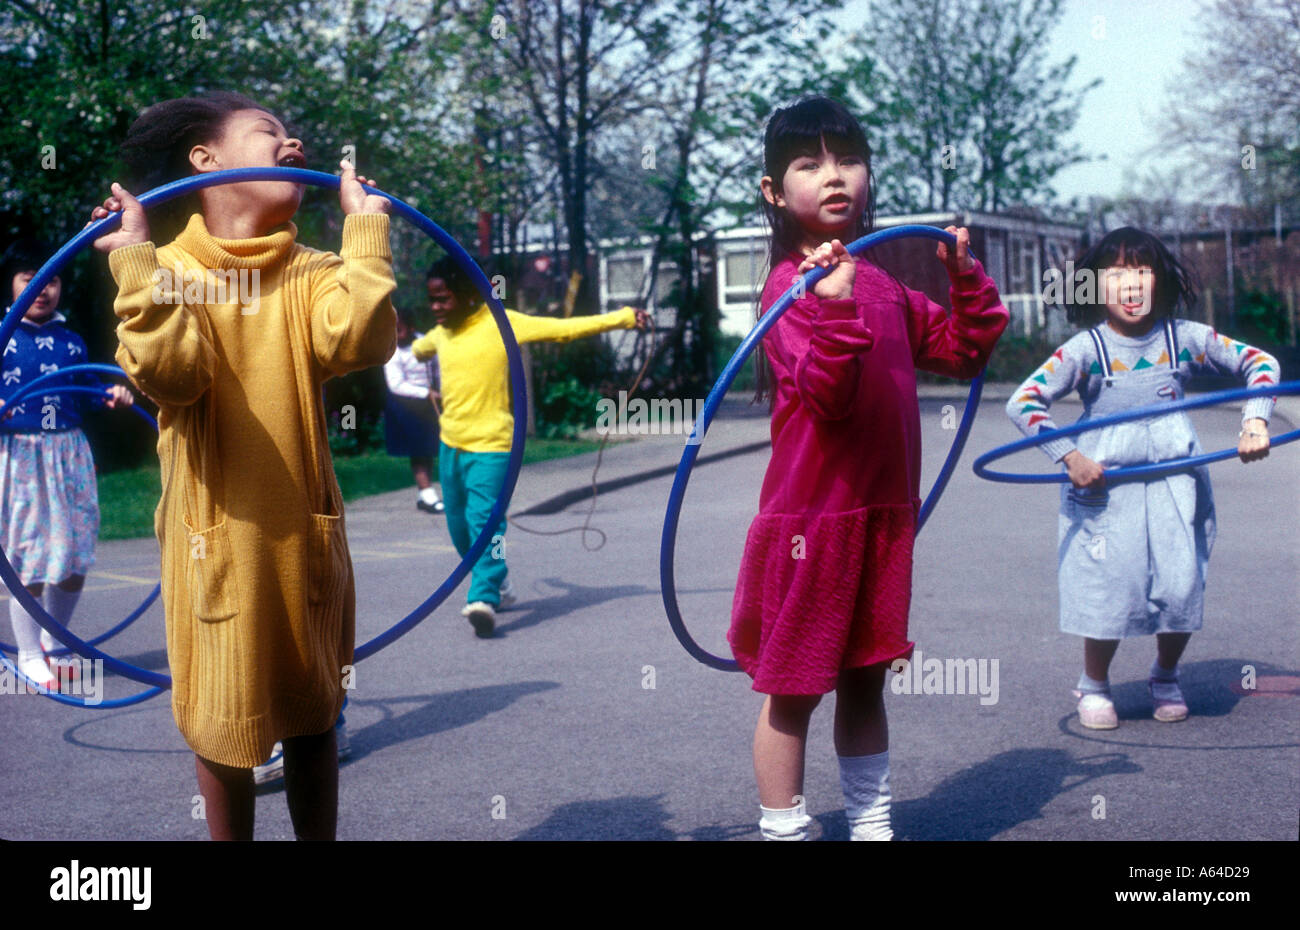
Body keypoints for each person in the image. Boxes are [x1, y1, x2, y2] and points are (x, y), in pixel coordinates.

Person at [88, 91, 396, 840]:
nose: (295, 146)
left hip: (305, 548)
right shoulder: (166, 270)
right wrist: (135, 266)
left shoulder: (312, 270)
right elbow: (176, 374)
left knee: (315, 722)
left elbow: (361, 340)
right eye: (271, 135)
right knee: (222, 732)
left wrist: (366, 234)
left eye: (298, 138)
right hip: (214, 552)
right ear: (207, 160)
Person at [729, 95, 1009, 841]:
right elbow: (827, 395)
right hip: (813, 524)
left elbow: (964, 349)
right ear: (773, 191)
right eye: (808, 163)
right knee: (794, 687)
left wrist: (965, 279)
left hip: (882, 519)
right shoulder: (788, 288)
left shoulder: (880, 283)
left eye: (848, 158)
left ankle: (872, 823)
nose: (834, 177)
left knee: (864, 677)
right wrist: (832, 307)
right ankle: (784, 826)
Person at [1005, 226, 1277, 730]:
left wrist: (1255, 419)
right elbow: (1023, 401)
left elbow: (1260, 362)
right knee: (1110, 586)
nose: (1130, 285)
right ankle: (1094, 684)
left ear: (1161, 281)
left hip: (1175, 481)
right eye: (1116, 273)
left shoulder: (1186, 339)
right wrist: (1068, 456)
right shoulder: (1085, 350)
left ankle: (1165, 674)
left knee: (1180, 583)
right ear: (1094, 286)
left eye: (1142, 271)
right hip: (1106, 487)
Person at [413, 256, 648, 638]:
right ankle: (498, 582)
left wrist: (622, 318)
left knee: (485, 524)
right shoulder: (440, 334)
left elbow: (564, 329)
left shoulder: (502, 323)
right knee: (459, 527)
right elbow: (419, 349)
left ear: (467, 295)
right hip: (450, 445)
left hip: (492, 445)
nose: (436, 307)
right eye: (432, 300)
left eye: (443, 299)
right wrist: (414, 349)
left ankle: (484, 597)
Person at [1, 239, 133, 690]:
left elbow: (91, 390)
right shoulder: (2, 337)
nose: (42, 289)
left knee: (75, 556)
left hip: (69, 453)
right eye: (30, 279)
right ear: (12, 285)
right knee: (33, 557)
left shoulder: (70, 341)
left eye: (51, 280)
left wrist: (115, 395)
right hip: (22, 454)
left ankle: (54, 641)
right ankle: (29, 654)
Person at [384, 306, 443, 514]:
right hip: (406, 407)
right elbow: (396, 385)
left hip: (429, 404)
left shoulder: (424, 341)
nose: (395, 334)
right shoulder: (392, 351)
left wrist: (440, 390)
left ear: (411, 327)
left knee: (429, 449)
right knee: (418, 451)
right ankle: (428, 492)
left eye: (399, 329)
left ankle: (423, 494)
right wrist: (426, 394)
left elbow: (437, 367)